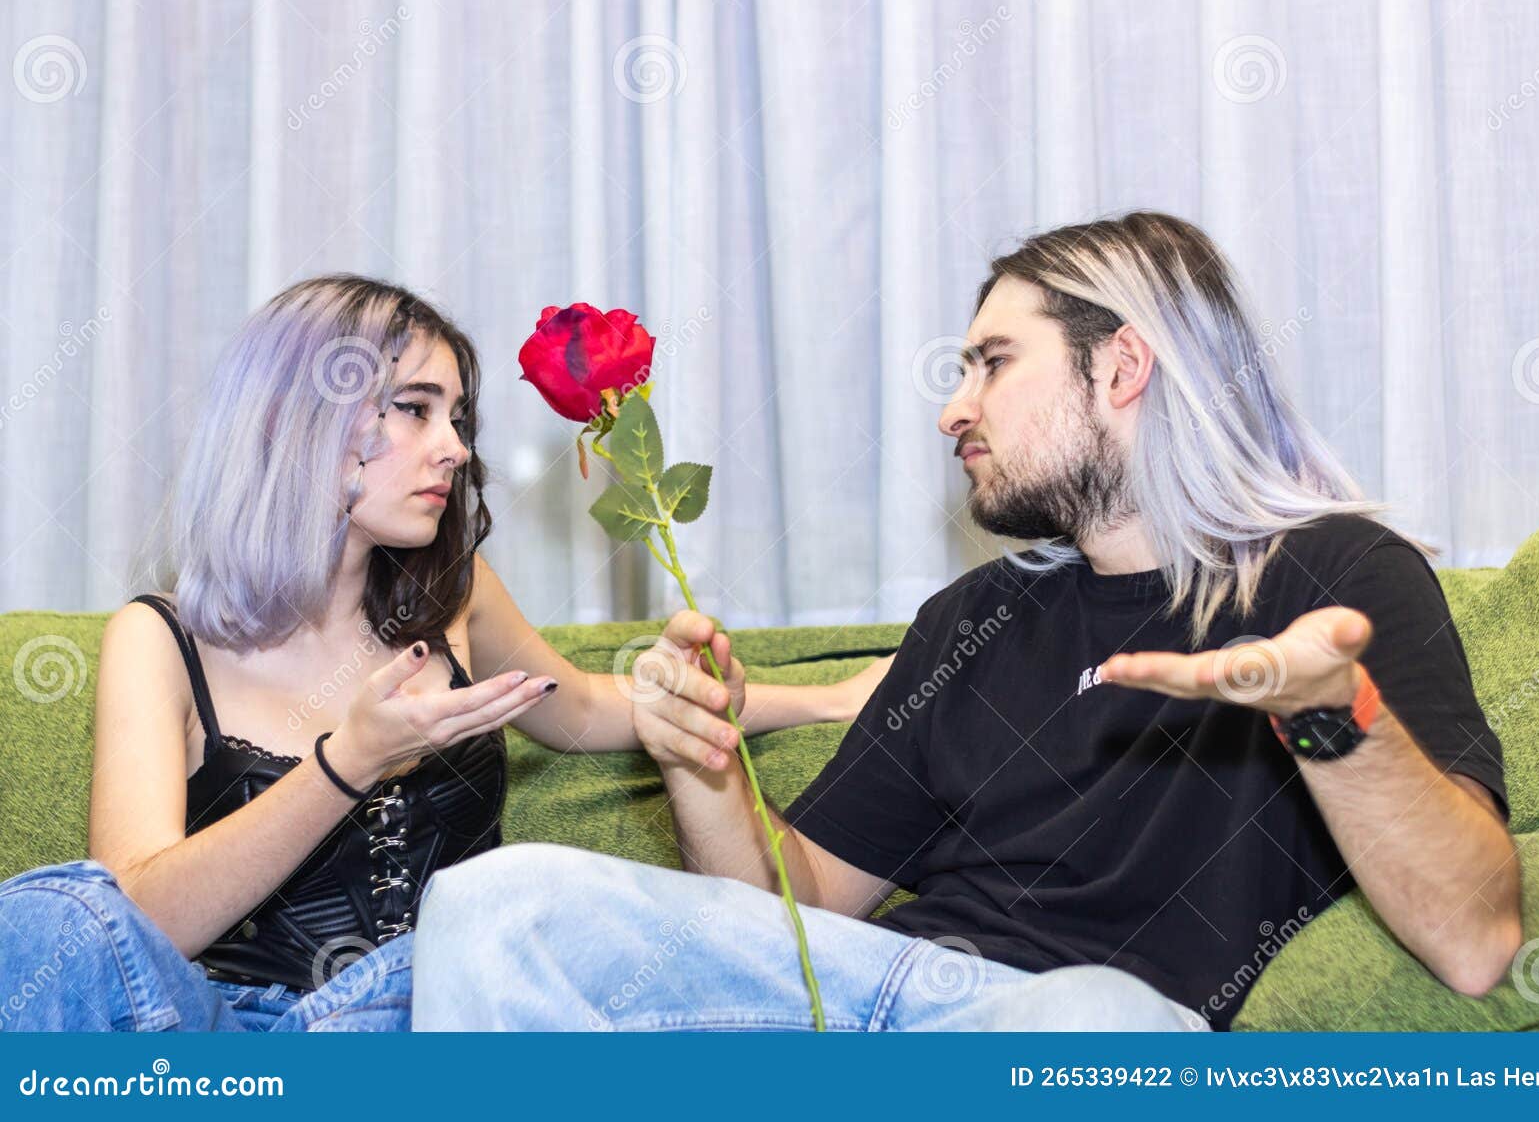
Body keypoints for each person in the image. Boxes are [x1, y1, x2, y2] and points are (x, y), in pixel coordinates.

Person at [410, 212, 1522, 1033]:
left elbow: (1475, 942)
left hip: (1066, 1030)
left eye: (992, 364)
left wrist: (1329, 713)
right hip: (868, 1005)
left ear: (1121, 366)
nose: (953, 409)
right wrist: (698, 758)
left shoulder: (1335, 575)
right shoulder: (974, 619)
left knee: (1094, 1021)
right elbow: (794, 914)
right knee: (497, 901)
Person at [0, 275, 887, 1032]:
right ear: (300, 419)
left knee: (474, 941)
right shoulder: (158, 638)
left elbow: (585, 707)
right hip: (224, 1032)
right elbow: (132, 927)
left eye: (456, 417)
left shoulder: (452, 593)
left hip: (422, 1011)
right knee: (51, 917)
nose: (456, 449)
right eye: (416, 409)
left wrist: (833, 698)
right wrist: (348, 763)